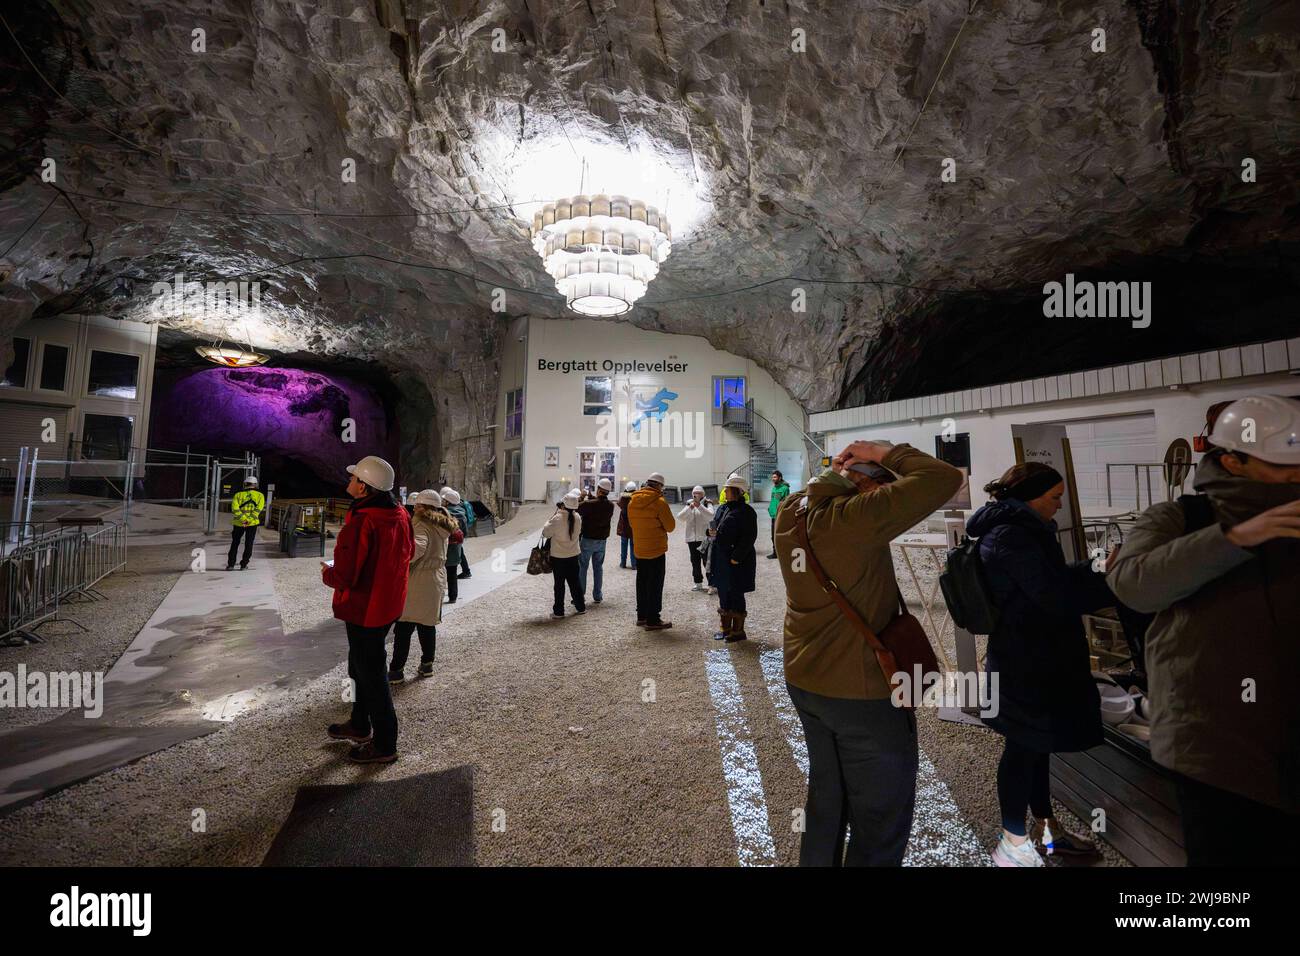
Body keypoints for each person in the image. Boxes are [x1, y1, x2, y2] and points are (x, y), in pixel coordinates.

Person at [1107, 395, 1300, 866]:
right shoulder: (1180, 517)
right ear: (1232, 460)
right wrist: (1234, 538)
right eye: (1284, 466)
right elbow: (1134, 586)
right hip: (1213, 749)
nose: (1297, 475)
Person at [774, 440, 961, 866]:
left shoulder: (792, 510)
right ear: (867, 486)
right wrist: (885, 451)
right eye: (881, 490)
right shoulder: (855, 518)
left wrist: (841, 469)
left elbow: (822, 489)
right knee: (881, 815)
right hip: (860, 691)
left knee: (827, 796)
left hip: (805, 679)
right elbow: (945, 478)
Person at [967, 461, 1114, 866]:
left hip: (1031, 655)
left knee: (1034, 747)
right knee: (1022, 750)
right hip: (1026, 661)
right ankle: (1014, 844)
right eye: (1054, 498)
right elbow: (1055, 598)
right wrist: (1113, 586)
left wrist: (1097, 566)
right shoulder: (1013, 536)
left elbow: (1053, 581)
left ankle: (1045, 829)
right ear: (1031, 497)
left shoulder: (1024, 531)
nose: (1059, 505)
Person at [321, 455, 413, 764]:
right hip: (388, 604)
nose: (348, 482)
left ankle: (385, 744)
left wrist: (327, 572)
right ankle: (360, 724)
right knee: (360, 665)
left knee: (372, 674)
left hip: (365, 609)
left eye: (353, 478)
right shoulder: (400, 514)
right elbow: (407, 554)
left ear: (364, 487)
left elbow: (347, 575)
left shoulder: (363, 520)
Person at [389, 489, 459, 683]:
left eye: (417, 505)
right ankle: (427, 665)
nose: (414, 508)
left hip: (418, 580)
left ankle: (396, 670)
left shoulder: (421, 523)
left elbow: (416, 549)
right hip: (436, 578)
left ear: (421, 506)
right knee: (427, 626)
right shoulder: (442, 523)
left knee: (404, 627)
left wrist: (398, 557)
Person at [707, 475, 757, 641]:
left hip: (737, 560)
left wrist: (737, 557)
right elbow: (714, 525)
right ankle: (725, 628)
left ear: (737, 491)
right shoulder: (722, 509)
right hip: (721, 558)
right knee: (723, 592)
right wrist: (710, 532)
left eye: (727, 489)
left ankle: (738, 631)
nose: (724, 491)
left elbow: (749, 538)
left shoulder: (747, 512)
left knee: (736, 592)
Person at [627, 471, 676, 630]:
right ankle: (653, 619)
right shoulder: (660, 502)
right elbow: (670, 526)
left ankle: (641, 616)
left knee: (641, 582)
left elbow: (631, 523)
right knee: (655, 584)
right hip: (656, 549)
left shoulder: (632, 501)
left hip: (639, 548)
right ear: (660, 486)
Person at [543, 489, 585, 618]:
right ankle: (580, 607)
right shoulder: (577, 517)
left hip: (559, 557)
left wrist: (547, 522)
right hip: (573, 555)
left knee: (559, 584)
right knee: (575, 582)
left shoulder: (557, 518)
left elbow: (546, 533)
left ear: (563, 504)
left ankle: (559, 611)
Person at [577, 478, 615, 604]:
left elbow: (576, 507)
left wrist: (582, 496)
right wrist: (591, 496)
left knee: (583, 567)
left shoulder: (589, 505)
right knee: (598, 568)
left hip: (588, 539)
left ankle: (580, 595)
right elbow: (599, 503)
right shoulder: (610, 506)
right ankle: (597, 595)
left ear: (598, 489)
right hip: (602, 541)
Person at [676, 485, 715, 592]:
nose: (696, 495)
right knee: (695, 561)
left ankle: (712, 584)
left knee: (707, 562)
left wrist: (700, 506)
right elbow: (680, 517)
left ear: (703, 494)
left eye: (699, 493)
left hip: (704, 539)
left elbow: (711, 516)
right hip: (692, 539)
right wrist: (690, 508)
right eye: (695, 493)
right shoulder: (689, 504)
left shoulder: (708, 503)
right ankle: (698, 583)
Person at [226, 475, 265, 570]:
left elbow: (235, 509)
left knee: (235, 543)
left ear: (245, 484)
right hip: (252, 523)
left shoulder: (238, 495)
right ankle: (243, 565)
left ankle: (231, 565)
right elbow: (258, 510)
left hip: (238, 523)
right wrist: (248, 520)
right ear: (255, 485)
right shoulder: (260, 495)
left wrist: (243, 519)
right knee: (249, 543)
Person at [440, 487, 469, 603]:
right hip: (457, 545)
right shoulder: (462, 513)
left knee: (442, 570)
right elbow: (465, 532)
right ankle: (453, 596)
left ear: (447, 502)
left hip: (447, 544)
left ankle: (440, 594)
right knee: (452, 571)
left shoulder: (445, 513)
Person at [766, 470, 790, 558]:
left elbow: (786, 502)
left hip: (780, 516)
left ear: (780, 478)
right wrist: (770, 508)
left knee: (779, 536)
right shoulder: (774, 488)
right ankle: (775, 552)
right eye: (772, 477)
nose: (773, 479)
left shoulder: (785, 488)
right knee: (773, 536)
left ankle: (780, 553)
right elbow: (773, 500)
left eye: (775, 477)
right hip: (773, 515)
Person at [616, 481, 638, 569]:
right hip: (633, 527)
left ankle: (623, 563)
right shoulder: (636, 498)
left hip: (624, 527)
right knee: (633, 546)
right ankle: (634, 564)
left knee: (623, 545)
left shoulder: (623, 499)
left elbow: (619, 503)